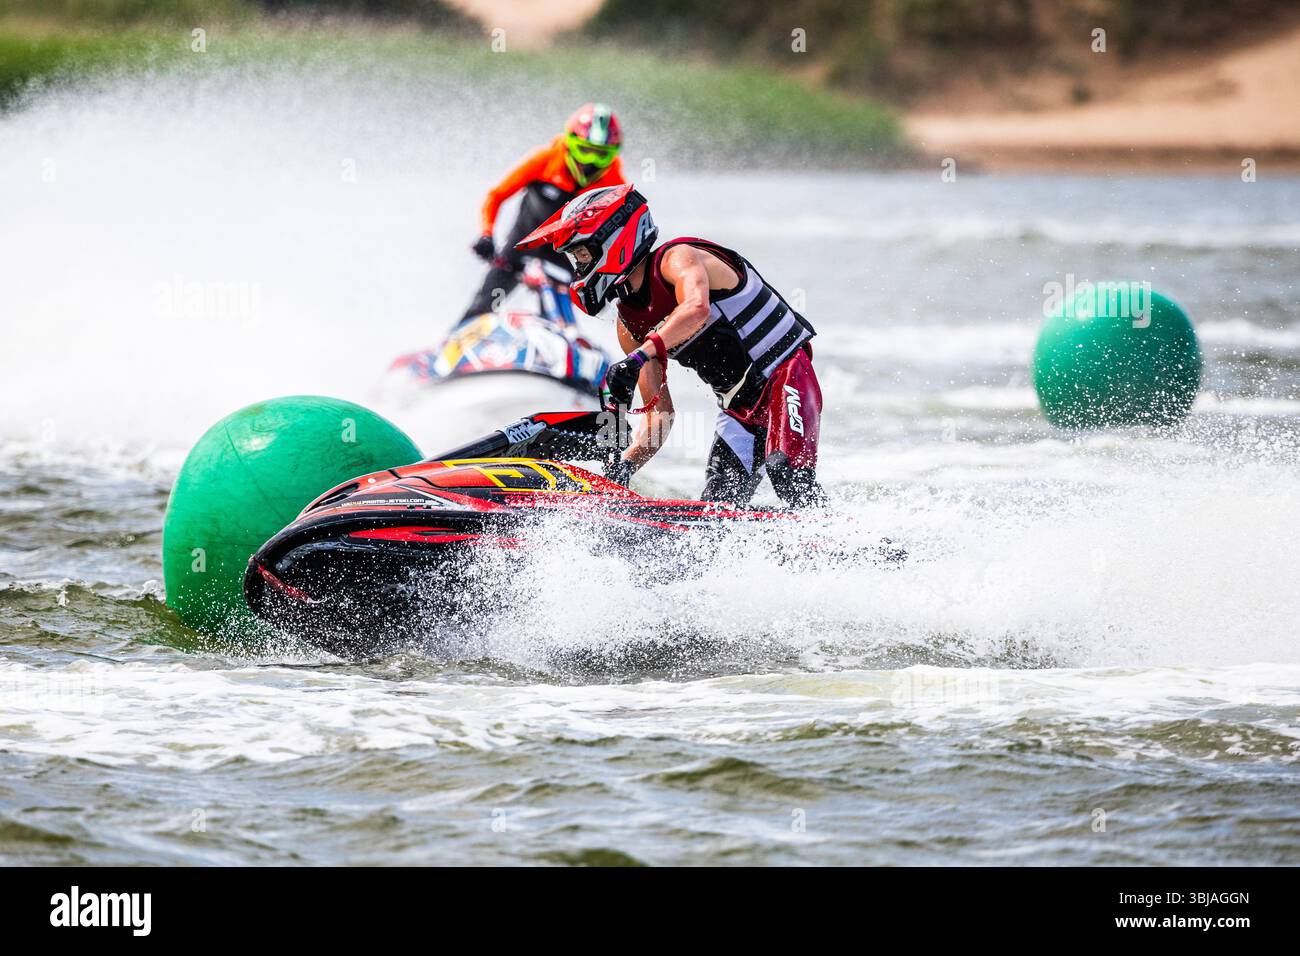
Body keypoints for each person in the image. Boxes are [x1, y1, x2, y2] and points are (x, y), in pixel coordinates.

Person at [516, 184, 825, 508]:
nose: (578, 269)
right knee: (718, 512)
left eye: (581, 254)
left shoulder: (677, 259)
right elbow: (659, 415)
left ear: (614, 239)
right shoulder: (630, 326)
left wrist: (639, 358)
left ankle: (842, 544)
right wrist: (626, 465)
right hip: (739, 412)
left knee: (788, 476)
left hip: (786, 377)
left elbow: (696, 309)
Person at [462, 103, 626, 322]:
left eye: (602, 155)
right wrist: (486, 234)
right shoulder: (546, 159)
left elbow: (623, 229)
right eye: (585, 151)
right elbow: (496, 196)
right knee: (482, 307)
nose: (591, 163)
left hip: (566, 260)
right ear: (570, 142)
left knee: (560, 320)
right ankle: (452, 344)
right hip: (519, 249)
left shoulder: (615, 182)